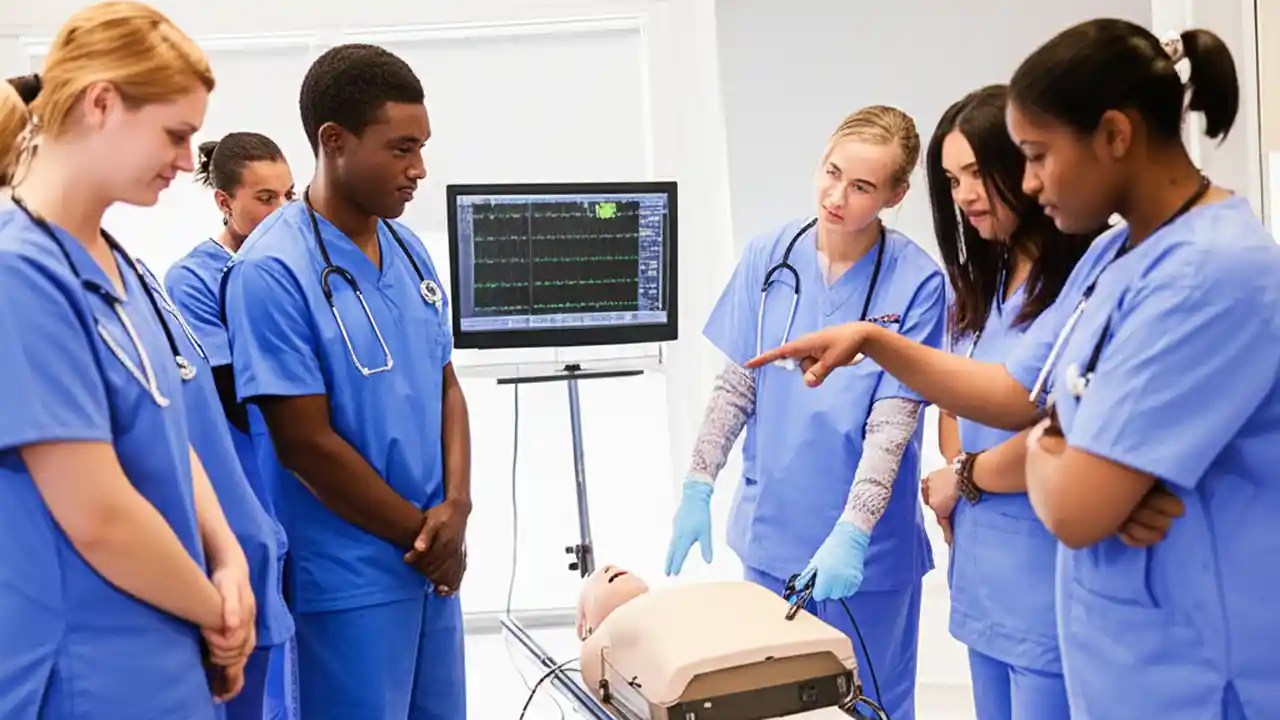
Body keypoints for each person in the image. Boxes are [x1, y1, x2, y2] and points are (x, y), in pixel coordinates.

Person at [750, 19, 1280, 719]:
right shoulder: (1116, 256)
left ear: (1114, 136)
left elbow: (1076, 505)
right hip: (1118, 648)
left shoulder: (1211, 272)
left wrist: (1044, 450)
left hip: (1202, 669)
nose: (1027, 182)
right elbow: (1012, 392)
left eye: (1036, 155)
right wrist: (872, 341)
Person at [0, 3, 254, 717]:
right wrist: (217, 611)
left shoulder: (112, 262)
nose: (187, 160)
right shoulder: (19, 273)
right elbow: (98, 515)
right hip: (84, 671)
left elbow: (165, 429)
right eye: (175, 135)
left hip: (164, 658)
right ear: (102, 103)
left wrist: (229, 557)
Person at [664, 105, 945, 720]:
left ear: (896, 194)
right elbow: (738, 384)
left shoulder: (917, 282)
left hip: (867, 554)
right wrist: (698, 483)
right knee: (769, 707)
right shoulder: (769, 256)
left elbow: (893, 424)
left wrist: (853, 532)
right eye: (832, 172)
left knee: (869, 706)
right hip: (773, 536)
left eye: (862, 186)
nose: (836, 197)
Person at [221, 43, 470, 719]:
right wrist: (425, 537)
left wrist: (458, 507)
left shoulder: (409, 250)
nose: (419, 169)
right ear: (334, 141)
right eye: (401, 149)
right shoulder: (271, 271)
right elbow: (305, 445)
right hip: (350, 576)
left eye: (422, 148)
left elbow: (445, 383)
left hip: (431, 567)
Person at [921, 84, 1091, 720]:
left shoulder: (1079, 284)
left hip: (1049, 574)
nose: (964, 195)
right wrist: (956, 476)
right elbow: (955, 401)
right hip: (983, 573)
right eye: (951, 180)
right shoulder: (981, 286)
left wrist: (965, 477)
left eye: (975, 173)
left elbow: (1068, 431)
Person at [167, 132, 298, 720]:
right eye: (266, 198)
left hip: (305, 486)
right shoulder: (193, 280)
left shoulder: (300, 267)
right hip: (248, 481)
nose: (283, 211)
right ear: (225, 202)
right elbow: (237, 395)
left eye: (290, 195)